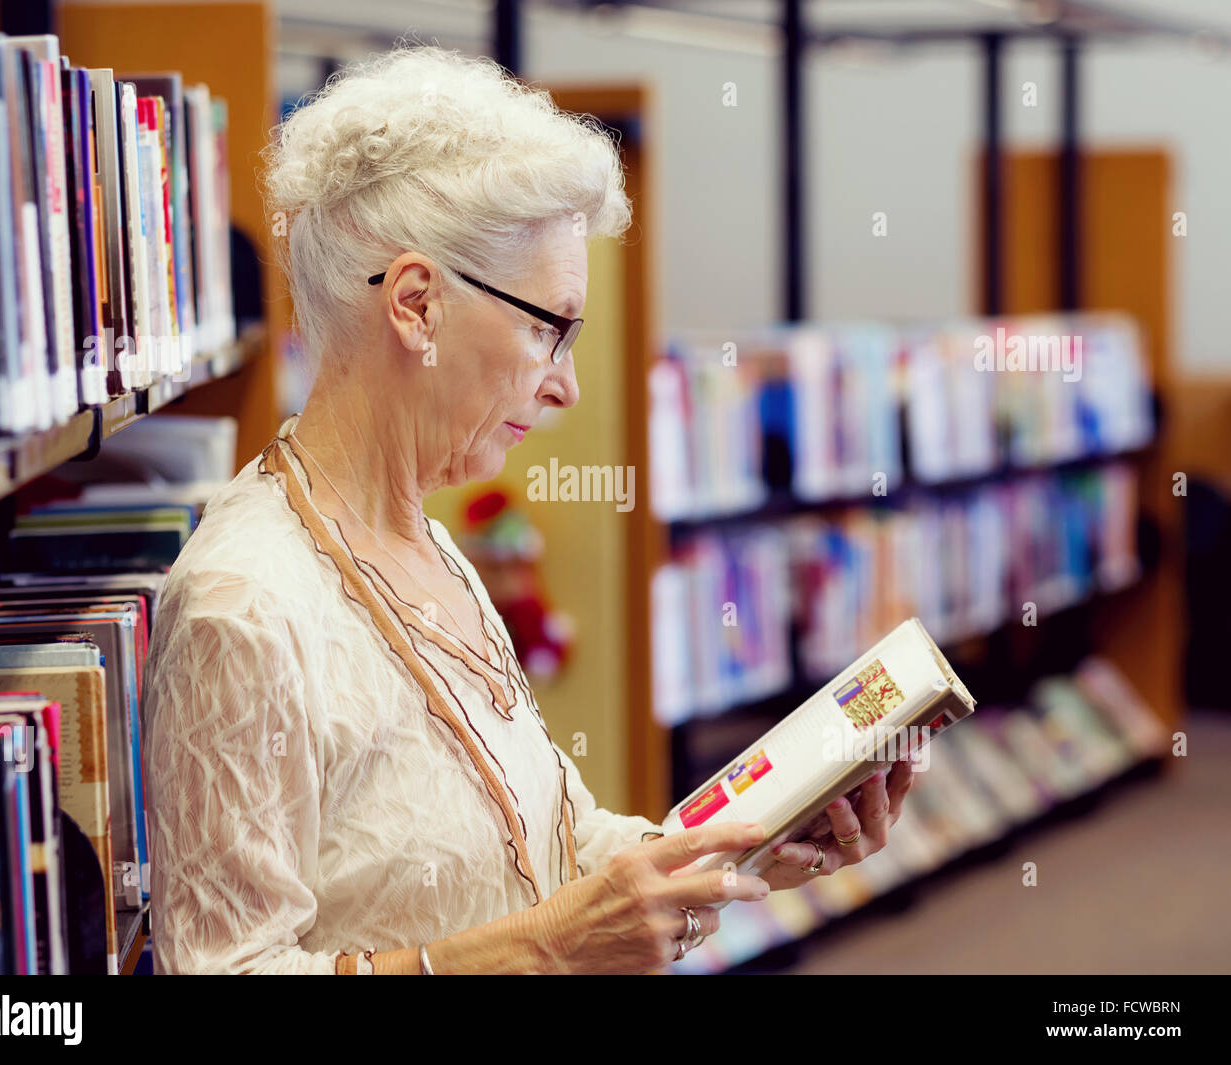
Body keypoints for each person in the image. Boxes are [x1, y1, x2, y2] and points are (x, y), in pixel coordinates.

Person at [140, 44, 914, 975]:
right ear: (417, 305)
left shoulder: (426, 542)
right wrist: (546, 949)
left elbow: (549, 835)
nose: (567, 389)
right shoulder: (246, 607)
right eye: (550, 328)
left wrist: (738, 851)